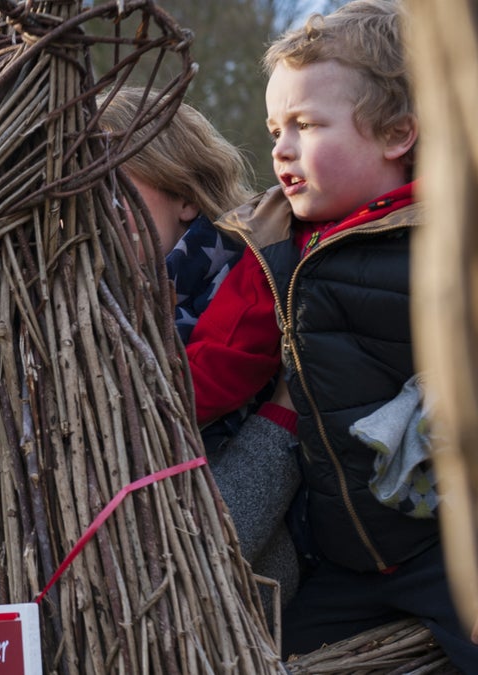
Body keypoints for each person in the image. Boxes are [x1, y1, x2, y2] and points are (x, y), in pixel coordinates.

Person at [180, 0, 478, 664]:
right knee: (273, 656)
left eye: (306, 125)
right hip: (345, 561)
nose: (280, 148)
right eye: (274, 127)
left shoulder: (452, 231)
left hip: (446, 545)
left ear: (397, 132)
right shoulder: (277, 249)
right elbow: (216, 366)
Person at [98, 87, 301, 611]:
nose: (94, 212)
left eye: (114, 185)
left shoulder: (269, 289)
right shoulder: (75, 334)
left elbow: (203, 555)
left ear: (186, 195)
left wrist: (280, 415)